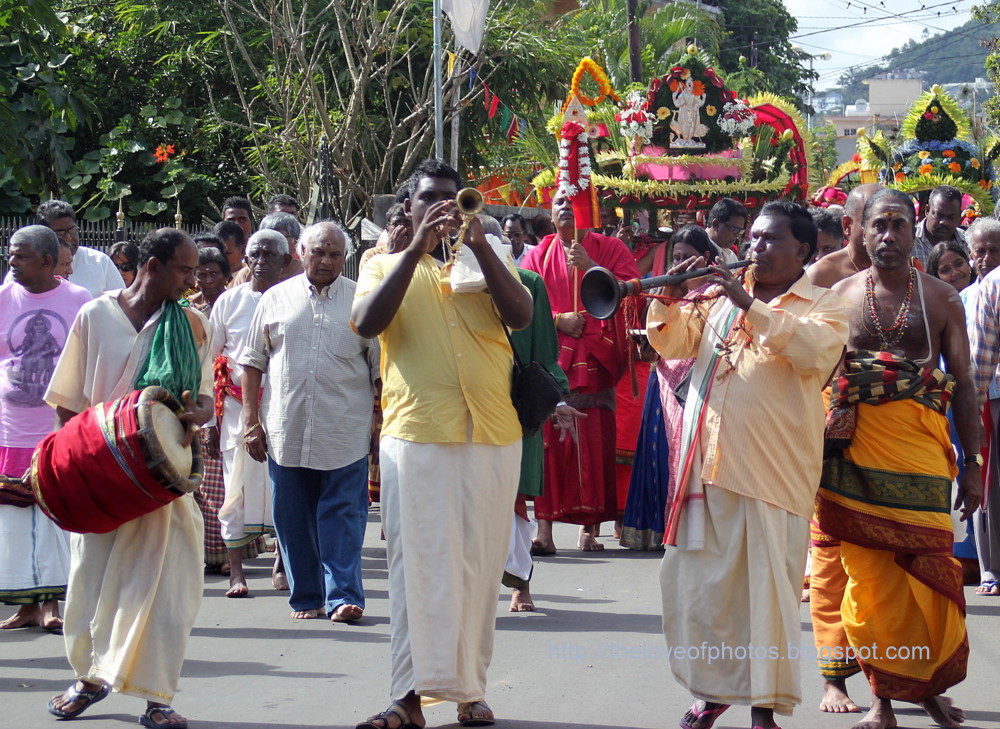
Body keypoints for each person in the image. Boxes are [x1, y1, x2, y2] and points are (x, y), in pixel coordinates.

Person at [648, 201, 849, 729]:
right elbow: (671, 342)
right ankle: (713, 692)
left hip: (772, 476)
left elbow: (814, 356)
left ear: (802, 250)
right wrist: (671, 297)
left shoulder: (824, 304)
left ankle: (764, 709)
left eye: (768, 241)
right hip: (705, 468)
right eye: (753, 239)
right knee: (700, 592)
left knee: (766, 598)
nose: (754, 249)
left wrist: (752, 307)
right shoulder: (717, 301)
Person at [351, 158, 531, 728]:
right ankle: (407, 698)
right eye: (430, 198)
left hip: (494, 433)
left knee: (479, 567)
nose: (444, 206)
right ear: (408, 207)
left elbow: (521, 314)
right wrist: (413, 251)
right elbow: (365, 323)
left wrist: (478, 246)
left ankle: (469, 690)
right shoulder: (380, 262)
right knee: (418, 568)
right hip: (418, 433)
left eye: (454, 198)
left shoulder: (489, 255)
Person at [817, 188, 978, 729]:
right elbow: (816, 379)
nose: (888, 236)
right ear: (860, 232)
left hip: (923, 456)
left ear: (916, 232)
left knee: (932, 571)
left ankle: (929, 688)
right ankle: (881, 698)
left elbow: (965, 386)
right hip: (855, 458)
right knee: (868, 580)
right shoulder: (838, 295)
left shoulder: (941, 299)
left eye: (899, 226)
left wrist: (975, 464)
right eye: (878, 225)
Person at [45, 228, 214, 728]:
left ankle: (157, 699)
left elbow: (203, 397)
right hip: (99, 476)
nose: (193, 280)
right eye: (184, 270)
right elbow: (67, 402)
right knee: (89, 587)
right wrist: (64, 473)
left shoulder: (193, 325)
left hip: (161, 482)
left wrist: (196, 413)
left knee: (164, 593)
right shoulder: (95, 315)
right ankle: (90, 679)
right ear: (154, 266)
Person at [242, 222, 379, 622]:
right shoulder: (275, 299)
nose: (326, 260)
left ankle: (344, 597)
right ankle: (307, 597)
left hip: (344, 431)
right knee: (291, 518)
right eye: (318, 252)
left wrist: (380, 425)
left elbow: (379, 371)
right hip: (286, 430)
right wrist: (251, 422)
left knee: (343, 518)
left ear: (345, 258)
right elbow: (252, 363)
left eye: (335, 254)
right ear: (301, 251)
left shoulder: (361, 301)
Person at [521, 191, 639, 552]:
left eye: (573, 204)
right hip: (553, 363)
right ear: (550, 213)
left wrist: (592, 269)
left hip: (596, 363)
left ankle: (589, 529)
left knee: (594, 443)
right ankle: (544, 530)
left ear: (589, 211)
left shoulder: (611, 248)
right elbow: (522, 299)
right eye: (559, 204)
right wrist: (558, 319)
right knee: (549, 445)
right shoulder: (538, 254)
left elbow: (634, 291)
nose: (565, 210)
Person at [0, 226, 90, 632]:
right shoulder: (3, 299)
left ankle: (54, 603)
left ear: (49, 262)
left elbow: (91, 360)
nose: (11, 262)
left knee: (54, 518)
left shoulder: (78, 301)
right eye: (10, 254)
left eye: (20, 256)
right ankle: (27, 605)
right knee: (14, 522)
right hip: (10, 429)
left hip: (60, 430)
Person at [620, 226, 713, 551]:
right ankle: (656, 531)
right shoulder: (667, 290)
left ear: (707, 259)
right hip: (663, 381)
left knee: (687, 459)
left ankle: (686, 532)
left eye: (688, 257)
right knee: (660, 455)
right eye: (676, 257)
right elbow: (657, 335)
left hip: (697, 390)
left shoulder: (717, 294)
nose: (682, 264)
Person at [209, 231, 290, 598]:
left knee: (282, 488)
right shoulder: (228, 302)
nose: (260, 260)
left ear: (285, 261)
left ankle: (281, 564)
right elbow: (210, 363)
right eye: (254, 253)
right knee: (235, 489)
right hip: (235, 412)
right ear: (245, 259)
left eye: (270, 254)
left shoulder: (292, 298)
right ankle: (236, 573)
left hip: (282, 408)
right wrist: (211, 422)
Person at [969, 217, 1000, 598]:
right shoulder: (991, 287)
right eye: (982, 249)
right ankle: (990, 568)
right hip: (994, 398)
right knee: (990, 485)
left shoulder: (992, 285)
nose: (988, 257)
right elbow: (980, 362)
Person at [2, 200, 125, 296]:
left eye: (72, 230)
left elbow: (120, 304)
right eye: (60, 233)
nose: (69, 238)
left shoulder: (100, 262)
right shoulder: (26, 268)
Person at [808, 183, 882, 289]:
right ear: (847, 225)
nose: (886, 233)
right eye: (870, 222)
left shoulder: (907, 269)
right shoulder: (821, 275)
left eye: (896, 224)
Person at [229, 213, 304, 286]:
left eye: (280, 237)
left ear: (296, 241)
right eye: (267, 237)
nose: (272, 243)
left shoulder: (305, 273)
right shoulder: (247, 274)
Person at [913, 185, 967, 268]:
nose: (944, 222)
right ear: (927, 210)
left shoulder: (968, 242)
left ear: (960, 216)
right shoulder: (909, 242)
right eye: (939, 215)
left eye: (951, 217)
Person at [360, 204, 411, 273]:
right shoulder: (371, 255)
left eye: (407, 224)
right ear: (387, 229)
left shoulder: (420, 256)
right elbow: (370, 280)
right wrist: (392, 253)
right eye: (396, 224)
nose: (401, 228)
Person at [705, 197, 747, 263]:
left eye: (740, 231)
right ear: (716, 224)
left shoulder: (731, 255)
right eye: (734, 229)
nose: (737, 235)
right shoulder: (697, 251)